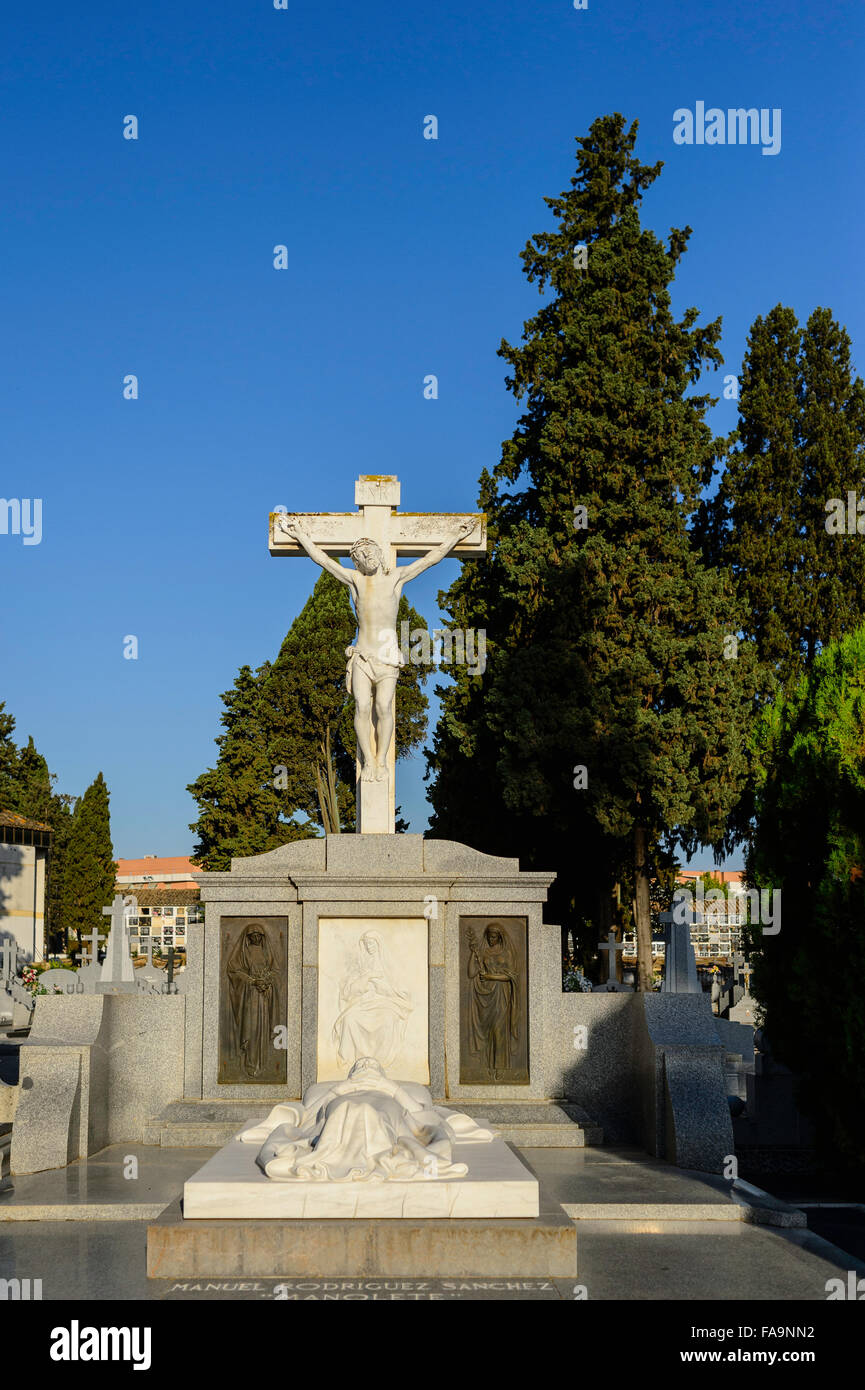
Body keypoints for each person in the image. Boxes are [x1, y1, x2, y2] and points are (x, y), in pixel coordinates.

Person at [278, 514, 474, 781]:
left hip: (387, 657)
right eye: (359, 557)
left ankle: (381, 761)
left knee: (383, 707)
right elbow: (323, 560)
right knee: (361, 706)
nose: (364, 559)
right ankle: (369, 761)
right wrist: (300, 535)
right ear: (356, 562)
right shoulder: (354, 580)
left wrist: (456, 536)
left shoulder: (396, 578)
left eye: (368, 553)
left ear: (379, 554)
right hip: (362, 656)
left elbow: (430, 559)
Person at [239, 1057, 495, 1182]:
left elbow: (422, 1115)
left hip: (385, 1106)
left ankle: (337, 1161)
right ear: (352, 1072)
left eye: (371, 1064)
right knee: (346, 1110)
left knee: (373, 1115)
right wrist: (340, 1089)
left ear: (383, 1073)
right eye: (361, 1064)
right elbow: (306, 1115)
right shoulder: (335, 1089)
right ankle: (362, 1160)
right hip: (341, 1104)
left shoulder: (398, 1089)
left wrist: (390, 1088)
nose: (366, 1065)